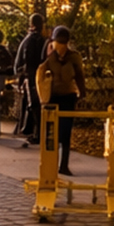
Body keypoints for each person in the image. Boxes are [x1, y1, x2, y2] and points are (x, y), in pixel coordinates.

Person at [39, 25, 86, 177]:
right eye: (58, 41)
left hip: (68, 95)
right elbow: (40, 73)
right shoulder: (48, 55)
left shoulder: (74, 57)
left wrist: (82, 92)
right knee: (51, 134)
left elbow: (79, 75)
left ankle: (63, 165)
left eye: (63, 41)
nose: (60, 44)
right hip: (52, 97)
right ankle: (50, 164)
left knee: (65, 132)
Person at [14, 13, 48, 146]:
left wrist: (22, 75)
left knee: (34, 105)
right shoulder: (43, 40)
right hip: (40, 75)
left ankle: (36, 134)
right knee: (37, 105)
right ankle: (35, 132)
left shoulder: (29, 40)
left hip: (31, 75)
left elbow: (24, 61)